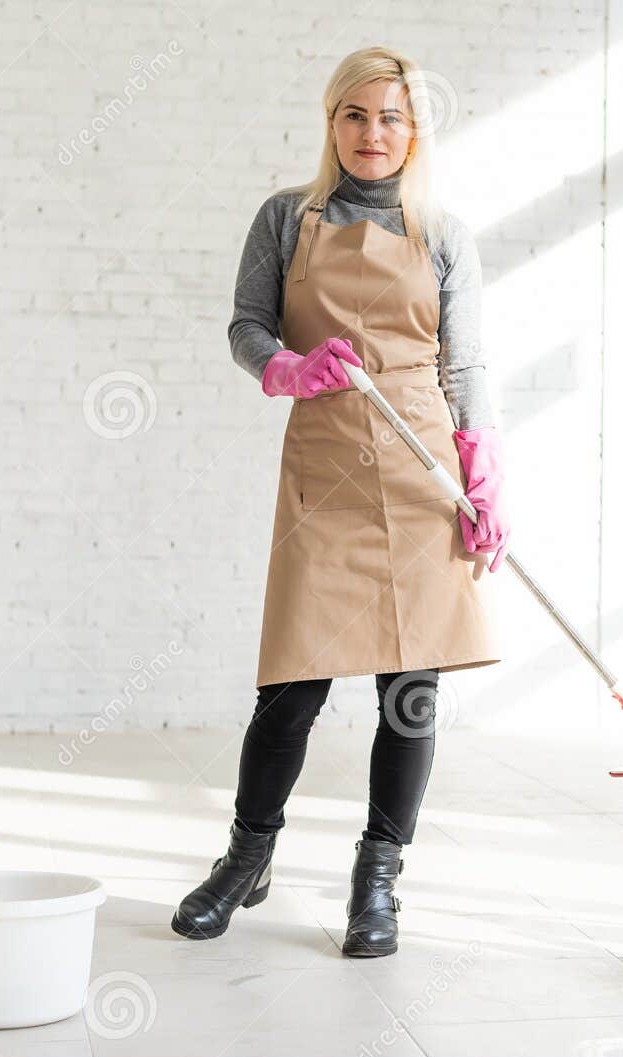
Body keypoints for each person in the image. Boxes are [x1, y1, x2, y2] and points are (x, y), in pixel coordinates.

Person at [172, 45, 509, 957]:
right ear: (332, 123)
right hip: (324, 460)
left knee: (411, 692)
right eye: (356, 115)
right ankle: (248, 856)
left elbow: (465, 365)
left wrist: (483, 475)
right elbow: (247, 324)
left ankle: (379, 876)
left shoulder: (443, 231)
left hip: (419, 464)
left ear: (416, 130)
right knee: (291, 686)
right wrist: (283, 364)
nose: (373, 133)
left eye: (392, 117)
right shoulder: (287, 218)